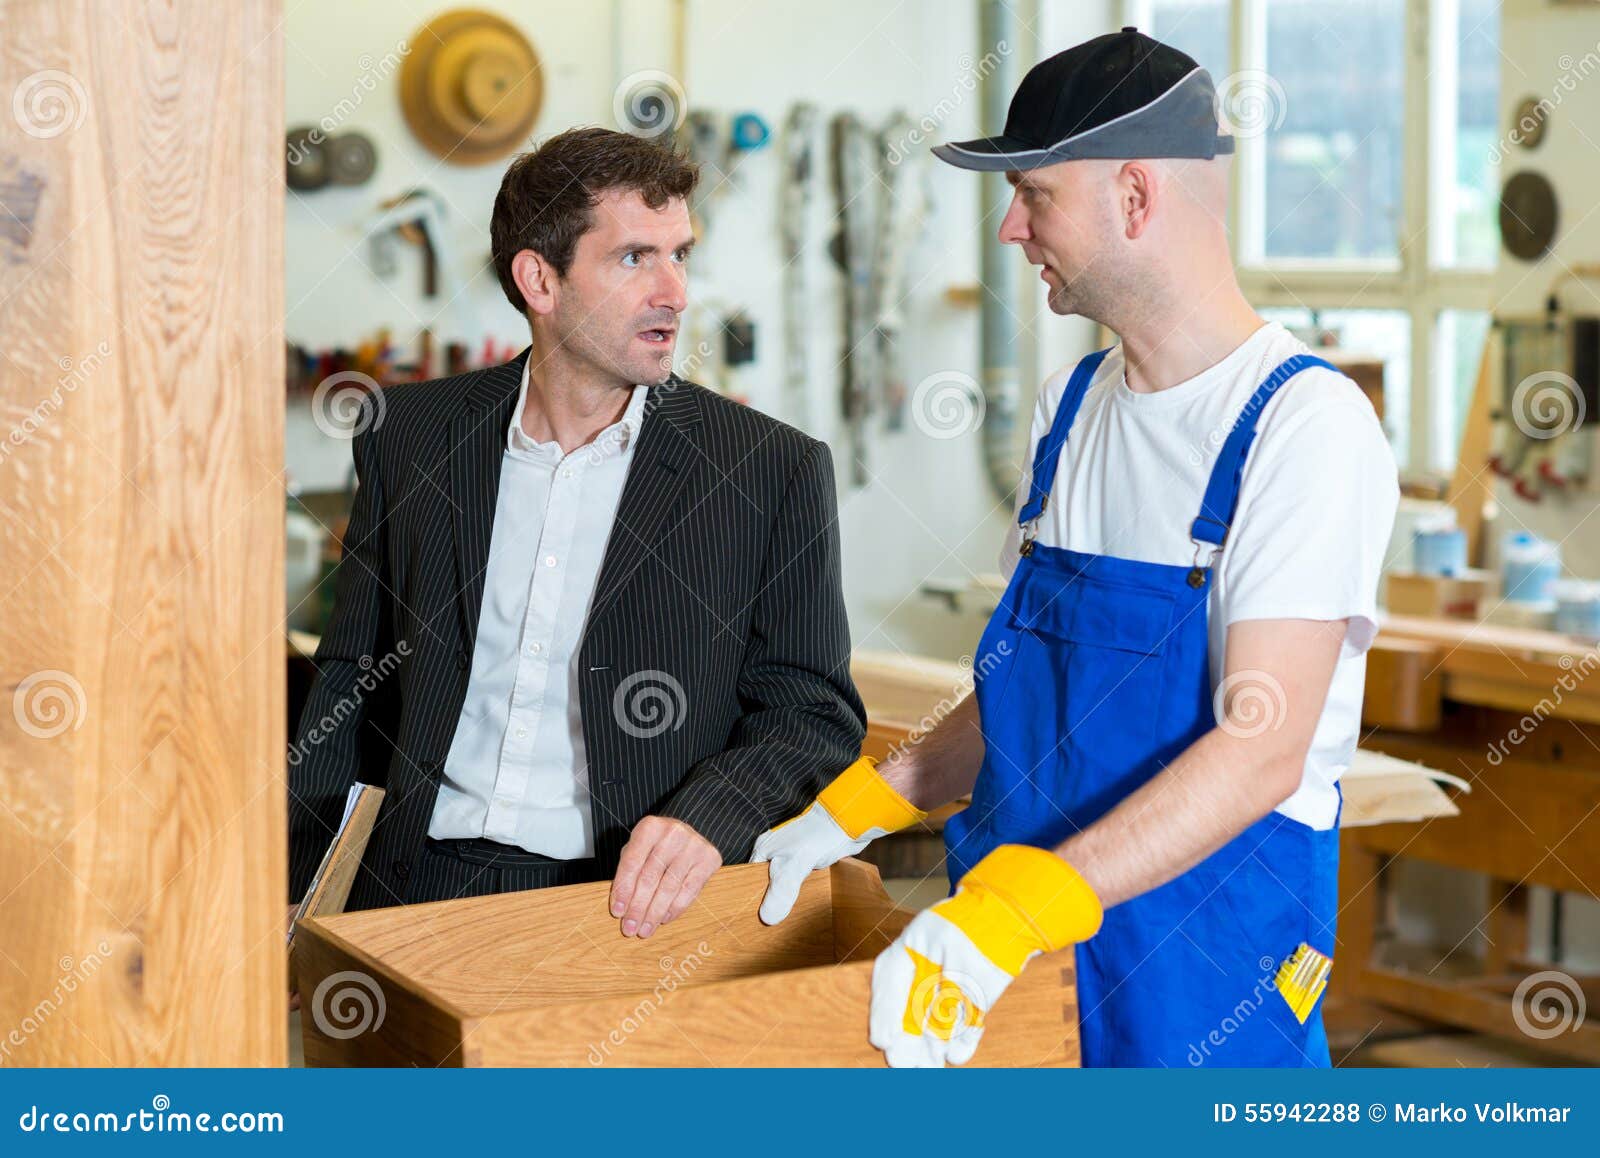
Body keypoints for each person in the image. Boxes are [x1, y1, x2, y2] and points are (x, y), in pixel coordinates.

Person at [752, 28, 1399, 1068]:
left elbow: (1261, 748)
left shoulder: (1301, 426)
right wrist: (870, 800)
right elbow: (1028, 693)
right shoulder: (1069, 408)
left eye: (1033, 194)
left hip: (1201, 968)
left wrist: (1014, 911)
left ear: (1134, 196)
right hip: (1020, 955)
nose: (1010, 227)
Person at [288, 128, 864, 943]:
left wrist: (711, 818)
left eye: (680, 255)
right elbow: (351, 673)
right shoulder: (409, 435)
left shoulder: (769, 470)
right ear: (539, 280)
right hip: (410, 890)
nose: (674, 292)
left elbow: (811, 711)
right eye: (634, 258)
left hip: (624, 905)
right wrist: (299, 884)